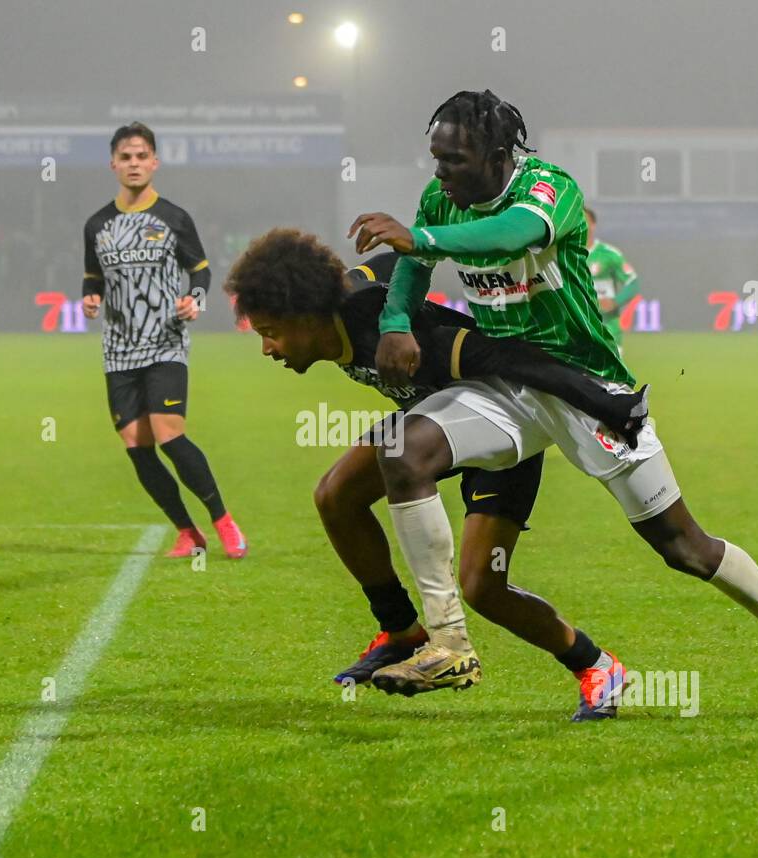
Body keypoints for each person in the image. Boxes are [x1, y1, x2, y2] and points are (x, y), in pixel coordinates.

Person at [346, 89, 758, 723]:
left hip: (587, 387)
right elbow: (413, 266)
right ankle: (449, 643)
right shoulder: (440, 200)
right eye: (434, 158)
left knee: (684, 548)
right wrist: (395, 319)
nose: (439, 172)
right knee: (406, 448)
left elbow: (514, 235)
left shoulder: (546, 188)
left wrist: (420, 235)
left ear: (498, 154)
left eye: (453, 159)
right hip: (507, 386)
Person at [225, 230, 647, 716]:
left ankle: (596, 665)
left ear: (307, 319)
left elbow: (501, 358)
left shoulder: (384, 332)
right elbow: (390, 267)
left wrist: (602, 401)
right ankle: (402, 629)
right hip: (430, 428)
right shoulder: (344, 304)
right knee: (336, 495)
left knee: (483, 588)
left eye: (270, 332)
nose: (267, 349)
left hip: (497, 423)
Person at [83, 123, 247, 559]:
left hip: (165, 343)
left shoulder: (173, 218)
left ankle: (224, 521)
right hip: (118, 349)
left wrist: (195, 299)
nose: (133, 164)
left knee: (169, 434)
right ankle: (188, 532)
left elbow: (201, 269)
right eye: (126, 157)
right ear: (113, 163)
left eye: (141, 156)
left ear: (154, 162)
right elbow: (92, 274)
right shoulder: (97, 224)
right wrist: (90, 296)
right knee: (137, 446)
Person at [585, 206, 640, 352]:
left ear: (593, 225)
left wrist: (615, 302)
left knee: (607, 375)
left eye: (585, 220)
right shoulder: (564, 254)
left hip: (608, 330)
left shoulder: (608, 254)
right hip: (577, 331)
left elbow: (632, 283)